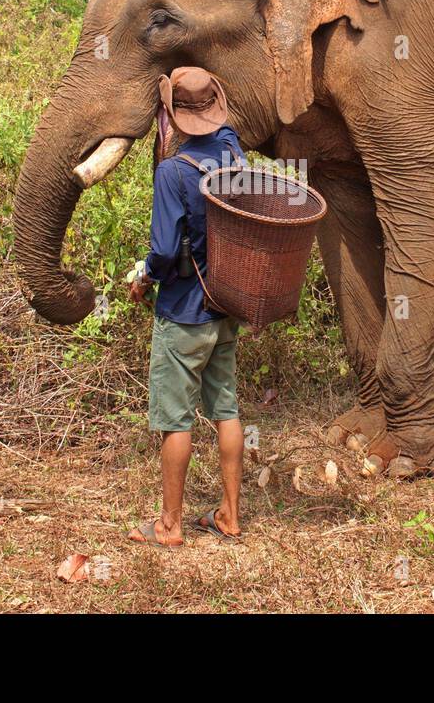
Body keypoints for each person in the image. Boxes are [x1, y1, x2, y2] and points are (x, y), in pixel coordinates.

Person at [127, 67, 246, 547]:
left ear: (172, 115)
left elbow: (163, 250)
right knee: (225, 408)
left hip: (183, 313)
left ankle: (169, 526)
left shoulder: (173, 172)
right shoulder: (234, 153)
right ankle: (230, 516)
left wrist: (144, 277)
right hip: (226, 305)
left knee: (175, 419)